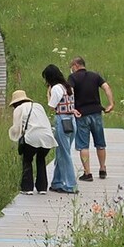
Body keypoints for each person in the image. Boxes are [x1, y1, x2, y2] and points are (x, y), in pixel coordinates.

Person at [68, 56, 115, 181]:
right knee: (100, 143)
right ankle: (102, 168)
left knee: (83, 146)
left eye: (71, 67)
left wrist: (72, 107)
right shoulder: (95, 76)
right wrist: (110, 103)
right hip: (96, 113)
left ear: (76, 65)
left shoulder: (73, 78)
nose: (71, 69)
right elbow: (106, 87)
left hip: (81, 114)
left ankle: (87, 173)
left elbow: (70, 91)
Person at [8, 89, 56, 195]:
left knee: (27, 160)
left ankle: (27, 188)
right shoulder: (38, 106)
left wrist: (14, 136)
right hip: (47, 137)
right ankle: (42, 188)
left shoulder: (18, 109)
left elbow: (16, 129)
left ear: (15, 103)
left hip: (32, 137)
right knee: (41, 160)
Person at [42, 63, 78, 193]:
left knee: (65, 153)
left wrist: (49, 93)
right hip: (72, 120)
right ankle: (57, 182)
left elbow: (52, 105)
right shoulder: (68, 87)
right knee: (61, 152)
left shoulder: (56, 88)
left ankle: (70, 184)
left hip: (62, 120)